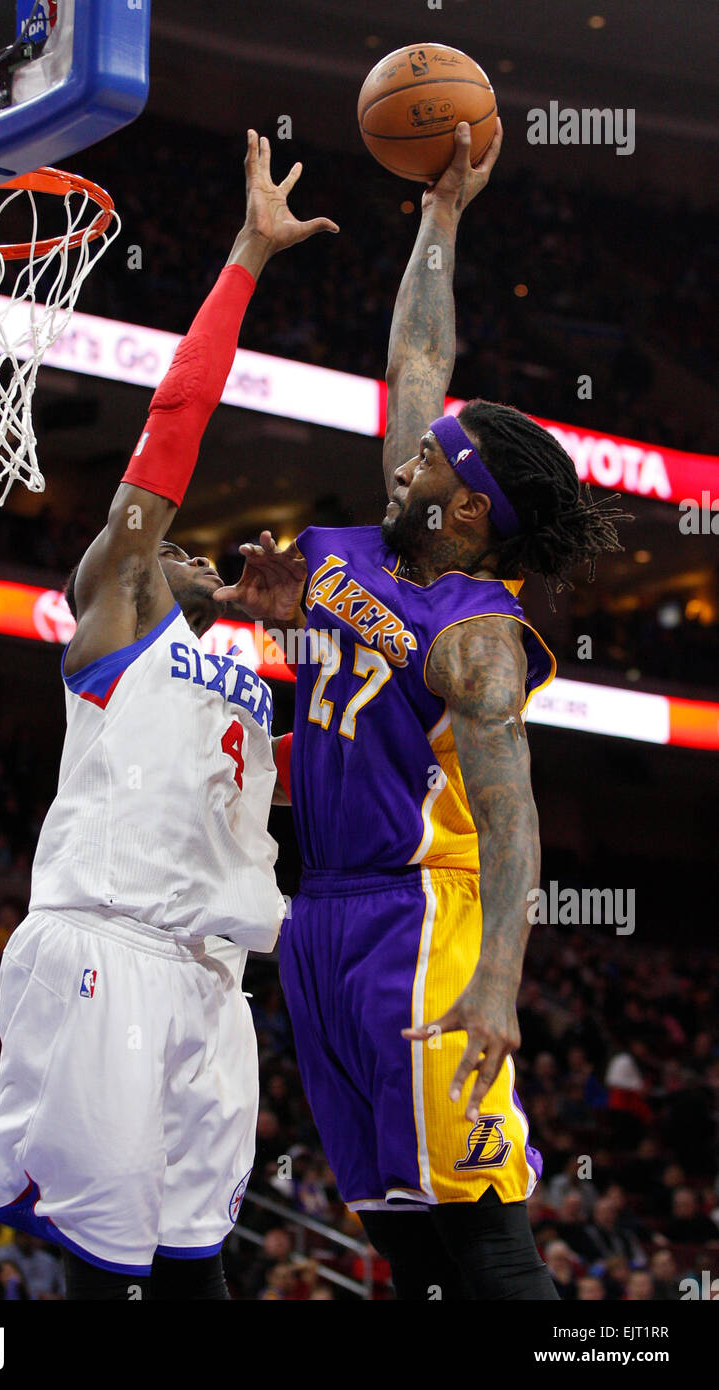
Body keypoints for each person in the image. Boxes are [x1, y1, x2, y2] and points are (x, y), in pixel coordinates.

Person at [219, 121, 629, 1301]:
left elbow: (512, 827)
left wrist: (495, 983)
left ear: (468, 510)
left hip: (419, 926)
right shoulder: (384, 547)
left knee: (486, 1237)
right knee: (404, 1240)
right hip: (322, 923)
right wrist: (441, 217)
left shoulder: (477, 637)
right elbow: (413, 364)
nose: (404, 463)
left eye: (430, 466)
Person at [0, 131, 337, 1301]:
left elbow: (313, 771)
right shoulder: (120, 610)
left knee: (194, 1275)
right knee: (106, 1279)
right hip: (106, 950)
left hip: (213, 979)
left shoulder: (229, 670)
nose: (184, 548)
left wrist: (299, 640)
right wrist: (245, 256)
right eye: (172, 542)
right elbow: (170, 432)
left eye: (188, 549)